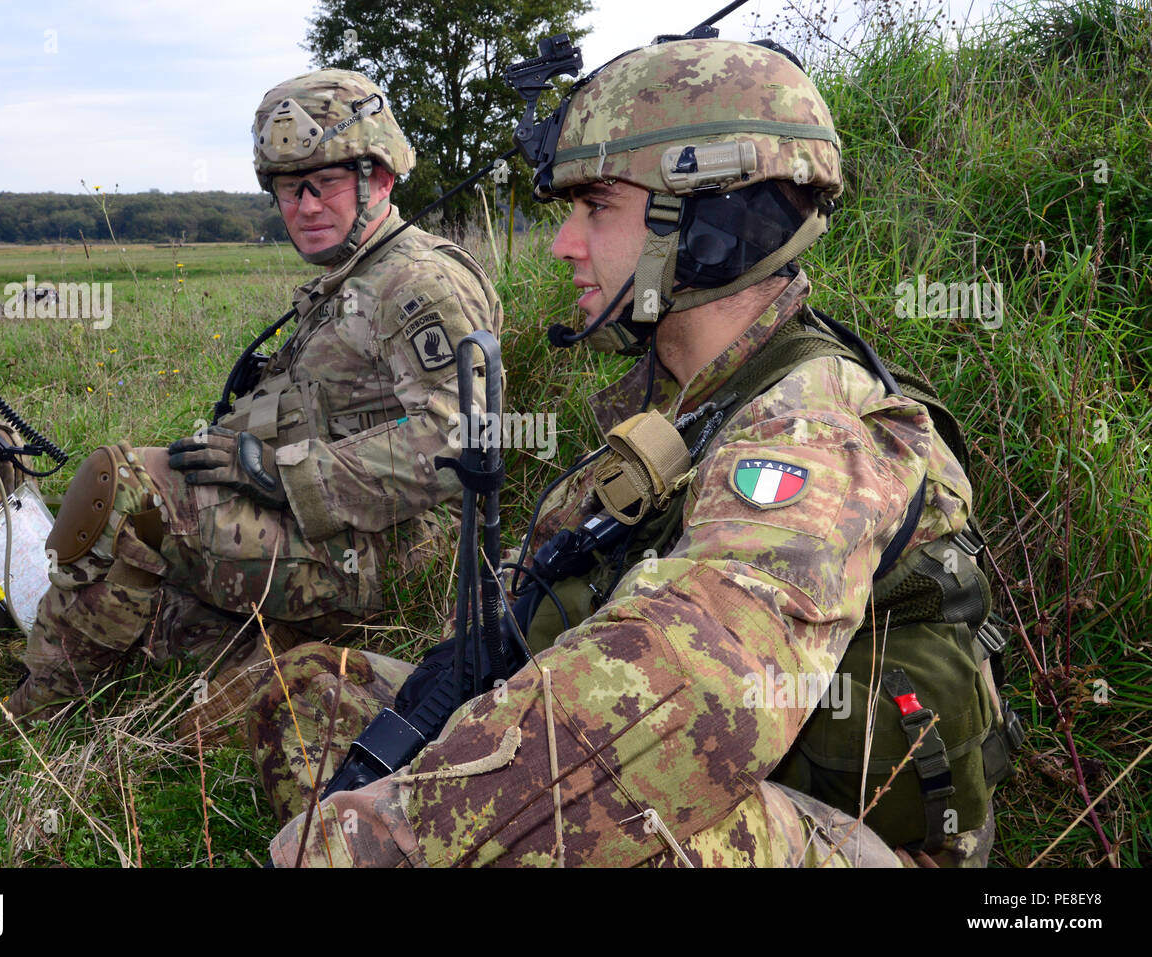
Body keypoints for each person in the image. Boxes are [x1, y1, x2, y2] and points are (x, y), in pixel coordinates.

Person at [247, 37, 1016, 867]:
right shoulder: (693, 392)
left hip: (847, 830)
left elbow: (691, 690)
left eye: (597, 207)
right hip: (720, 766)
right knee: (307, 695)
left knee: (590, 824)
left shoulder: (814, 424)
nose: (564, 244)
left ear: (705, 221)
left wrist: (394, 829)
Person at [0, 69, 503, 739]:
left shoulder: (417, 282)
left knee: (127, 482)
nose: (302, 207)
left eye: (320, 184)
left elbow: (462, 437)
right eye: (285, 190)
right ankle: (235, 666)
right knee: (145, 595)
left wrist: (280, 471)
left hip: (382, 555)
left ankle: (38, 709)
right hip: (328, 537)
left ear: (378, 178)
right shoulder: (349, 280)